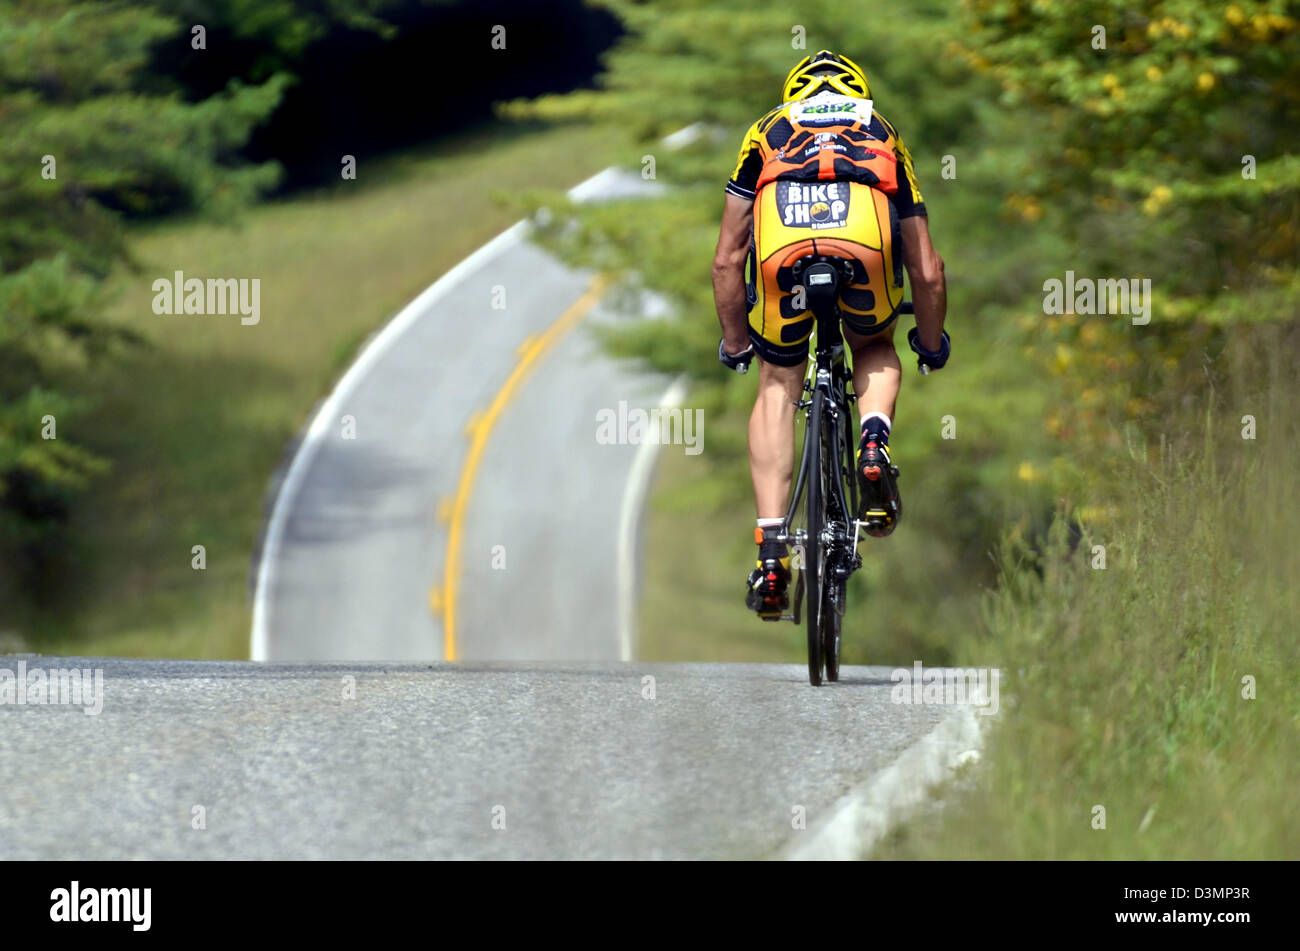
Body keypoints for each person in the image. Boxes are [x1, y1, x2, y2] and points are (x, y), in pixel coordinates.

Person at [710, 50, 950, 618]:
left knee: (776, 382)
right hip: (862, 252)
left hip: (782, 261)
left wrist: (738, 342)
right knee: (873, 344)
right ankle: (873, 441)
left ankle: (772, 554)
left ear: (795, 95)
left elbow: (727, 259)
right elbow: (927, 268)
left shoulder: (767, 132)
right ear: (857, 92)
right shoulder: (881, 131)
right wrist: (932, 342)